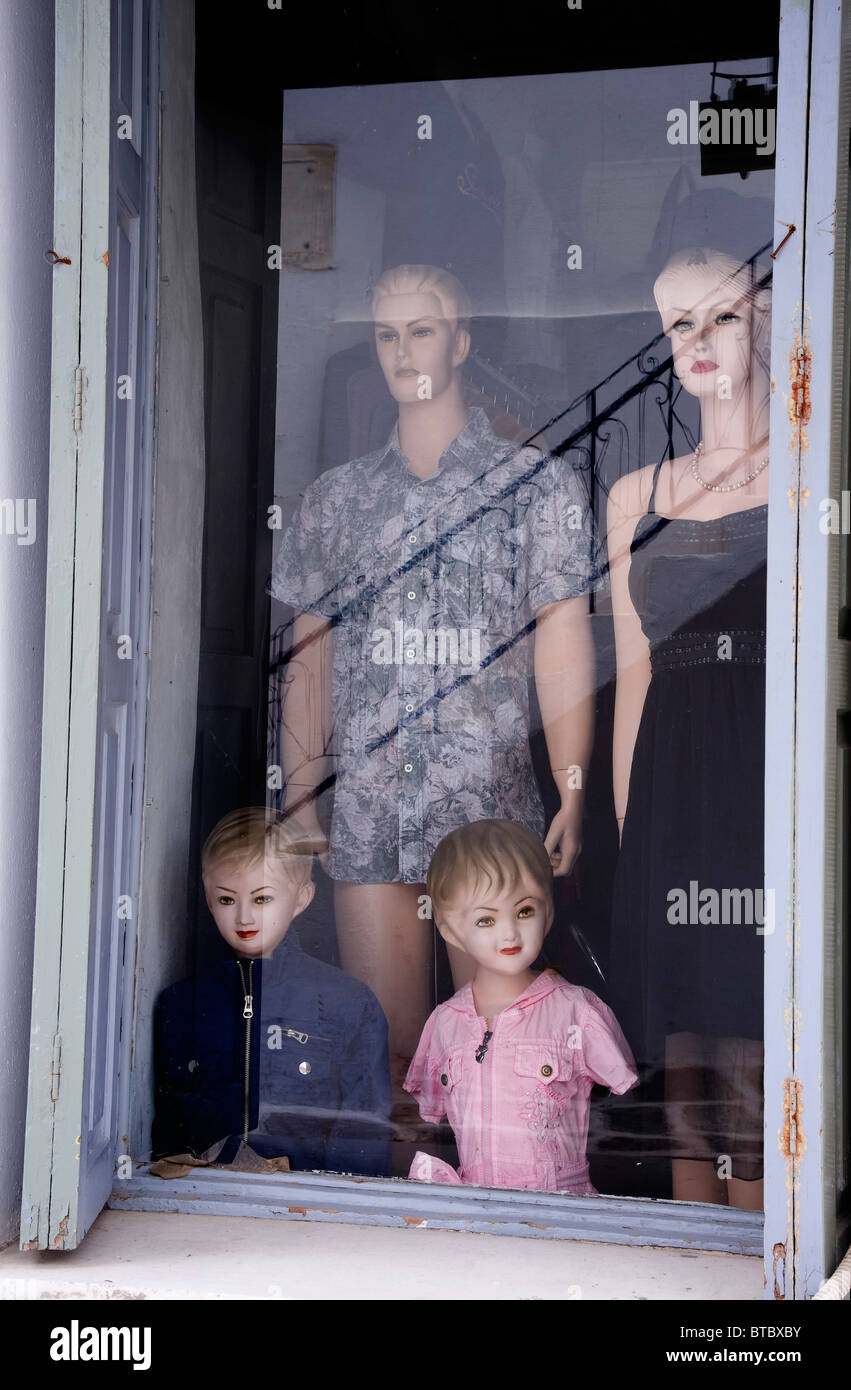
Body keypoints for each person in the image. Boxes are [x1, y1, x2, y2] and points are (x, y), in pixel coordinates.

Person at [270, 264, 596, 1099]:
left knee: (503, 1053)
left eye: (420, 330)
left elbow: (563, 639)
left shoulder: (533, 485)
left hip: (487, 804)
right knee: (393, 1057)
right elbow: (309, 659)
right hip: (372, 807)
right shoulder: (337, 502)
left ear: (460, 339)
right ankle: (409, 1218)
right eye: (384, 333)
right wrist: (303, 797)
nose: (400, 351)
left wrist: (571, 789)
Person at [606, 246, 771, 1209]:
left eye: (719, 318)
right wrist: (629, 831)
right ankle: (683, 1253)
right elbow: (631, 676)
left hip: (761, 781)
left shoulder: (808, 476)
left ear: (759, 320)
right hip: (667, 791)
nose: (699, 342)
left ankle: (759, 1276)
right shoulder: (636, 496)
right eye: (678, 325)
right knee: (677, 1044)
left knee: (749, 1032)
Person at [152, 807, 392, 1177]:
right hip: (206, 1206)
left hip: (311, 1210)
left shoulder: (347, 1003)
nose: (244, 917)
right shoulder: (181, 1005)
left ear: (301, 898)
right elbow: (169, 1128)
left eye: (262, 899)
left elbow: (365, 1131)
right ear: (206, 892)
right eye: (227, 899)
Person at [404, 819, 637, 1193]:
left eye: (524, 911)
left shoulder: (577, 1012)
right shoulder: (445, 1024)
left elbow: (628, 1102)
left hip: (561, 1220)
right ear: (450, 931)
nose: (509, 932)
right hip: (478, 1224)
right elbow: (431, 1110)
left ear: (548, 912)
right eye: (486, 920)